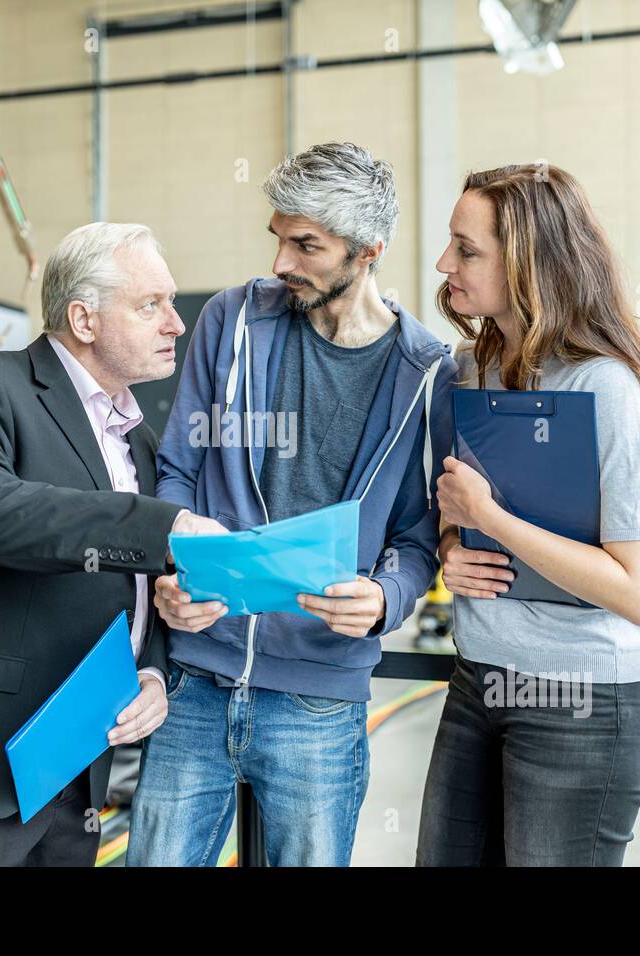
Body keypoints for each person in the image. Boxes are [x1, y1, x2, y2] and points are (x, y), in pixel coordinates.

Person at [0, 222, 225, 866]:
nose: (175, 324)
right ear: (83, 318)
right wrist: (160, 526)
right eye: (150, 305)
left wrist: (153, 668)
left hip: (76, 754)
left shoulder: (136, 440)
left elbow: (135, 584)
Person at [126, 143, 457, 867]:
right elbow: (178, 469)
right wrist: (177, 569)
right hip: (196, 681)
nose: (281, 261)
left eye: (306, 244)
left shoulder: (427, 374)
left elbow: (418, 533)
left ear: (367, 251)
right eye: (278, 236)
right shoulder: (231, 321)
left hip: (319, 703)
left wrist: (385, 595)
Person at [418, 163, 640, 866]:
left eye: (467, 250)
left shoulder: (605, 386)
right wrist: (453, 545)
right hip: (479, 680)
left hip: (584, 702)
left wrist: (493, 521)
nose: (445, 264)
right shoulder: (468, 369)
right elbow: (455, 512)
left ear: (530, 260)